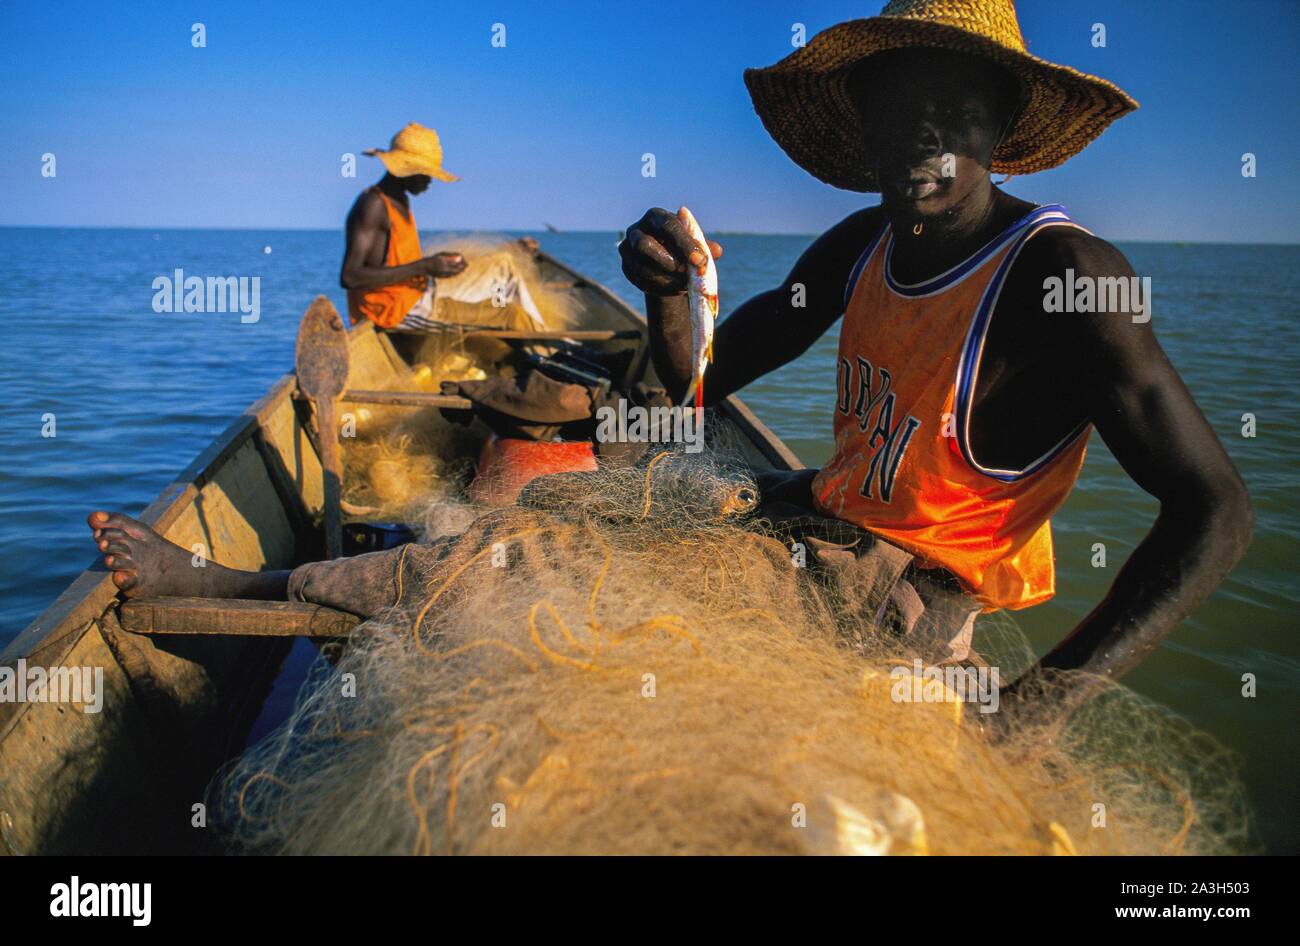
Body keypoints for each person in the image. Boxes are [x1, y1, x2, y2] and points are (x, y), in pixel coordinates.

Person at [617, 0, 1252, 687]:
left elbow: (1217, 510)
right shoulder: (863, 244)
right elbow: (702, 385)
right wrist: (667, 288)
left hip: (907, 598)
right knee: (619, 487)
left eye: (954, 105)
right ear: (864, 127)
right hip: (822, 520)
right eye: (892, 106)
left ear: (1001, 122)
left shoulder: (1067, 275)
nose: (922, 134)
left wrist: (1032, 709)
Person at [341, 122, 546, 332]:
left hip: (420, 291)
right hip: (399, 312)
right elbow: (350, 276)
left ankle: (531, 329)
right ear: (408, 170)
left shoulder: (399, 199)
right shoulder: (373, 205)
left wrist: (435, 263)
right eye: (426, 174)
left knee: (503, 267)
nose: (430, 181)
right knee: (512, 316)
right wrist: (424, 266)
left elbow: (398, 260)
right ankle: (545, 343)